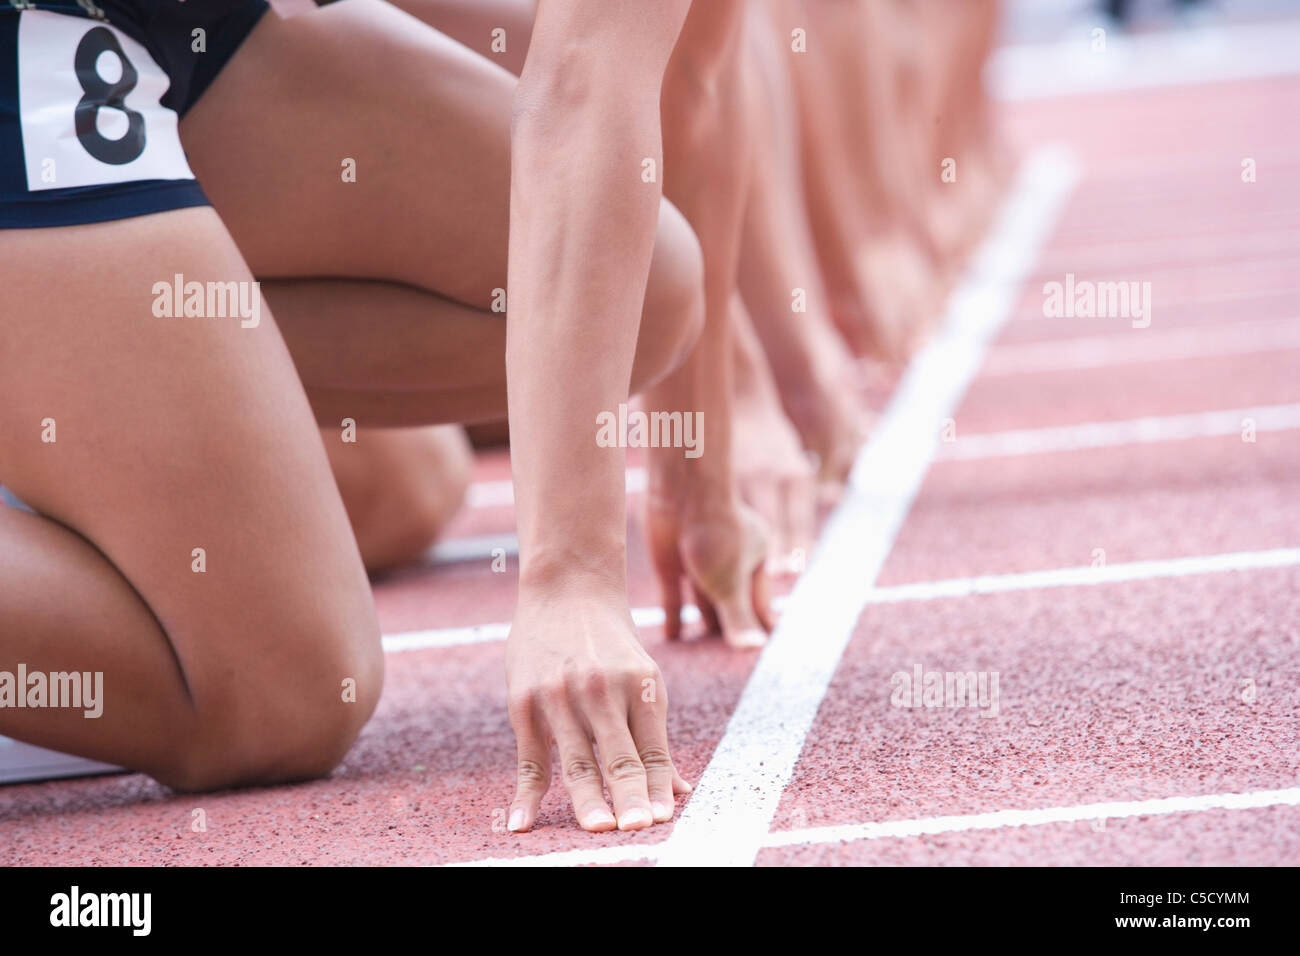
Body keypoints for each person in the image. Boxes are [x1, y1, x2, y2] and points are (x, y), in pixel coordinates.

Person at [0, 0, 774, 833]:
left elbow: (673, 69)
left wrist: (700, 477)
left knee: (646, 293)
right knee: (281, 690)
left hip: (175, 30)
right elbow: (580, 86)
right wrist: (568, 577)